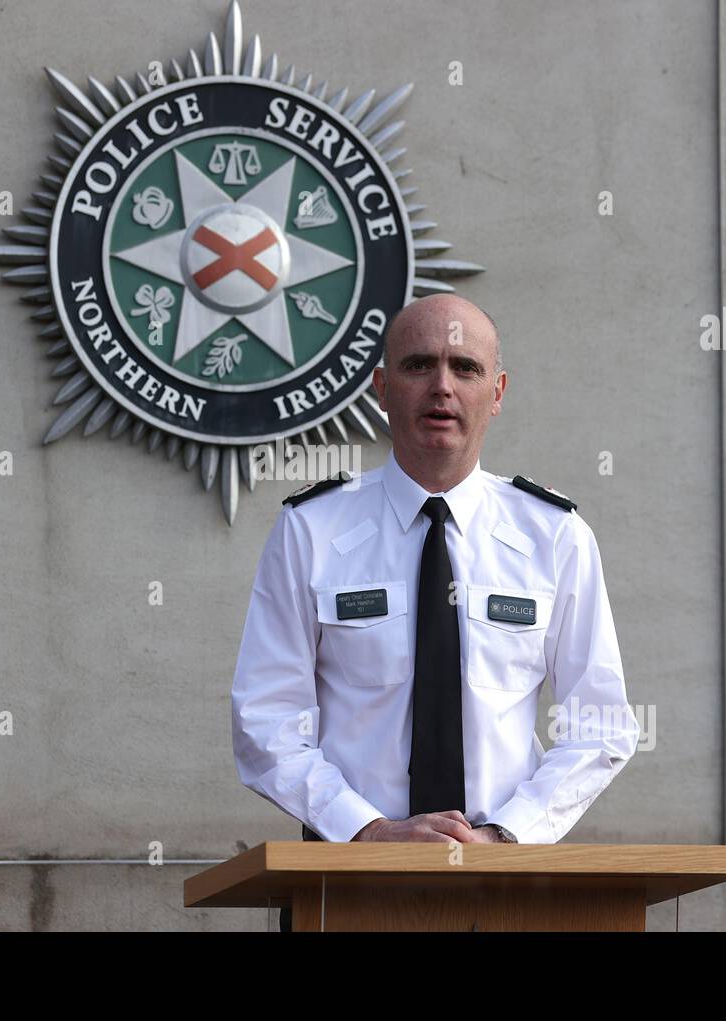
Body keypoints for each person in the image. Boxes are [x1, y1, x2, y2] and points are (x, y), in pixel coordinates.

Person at [229, 294, 640, 931]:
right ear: (382, 388)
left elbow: (602, 722)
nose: (442, 386)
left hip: (511, 892)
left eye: (465, 368)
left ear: (497, 391)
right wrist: (366, 832)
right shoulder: (311, 529)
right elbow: (266, 717)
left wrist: (508, 838)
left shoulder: (554, 536)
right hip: (347, 888)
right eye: (419, 365)